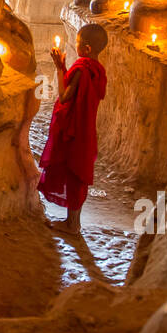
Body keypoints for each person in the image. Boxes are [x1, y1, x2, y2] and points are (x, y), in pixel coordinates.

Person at [37, 23, 108, 234]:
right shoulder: (98, 70)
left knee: (73, 172)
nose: (74, 45)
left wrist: (59, 68)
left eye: (77, 43)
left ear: (86, 49)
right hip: (86, 130)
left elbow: (64, 96)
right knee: (79, 174)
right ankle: (72, 222)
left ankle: (72, 224)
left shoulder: (82, 69)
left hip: (74, 130)